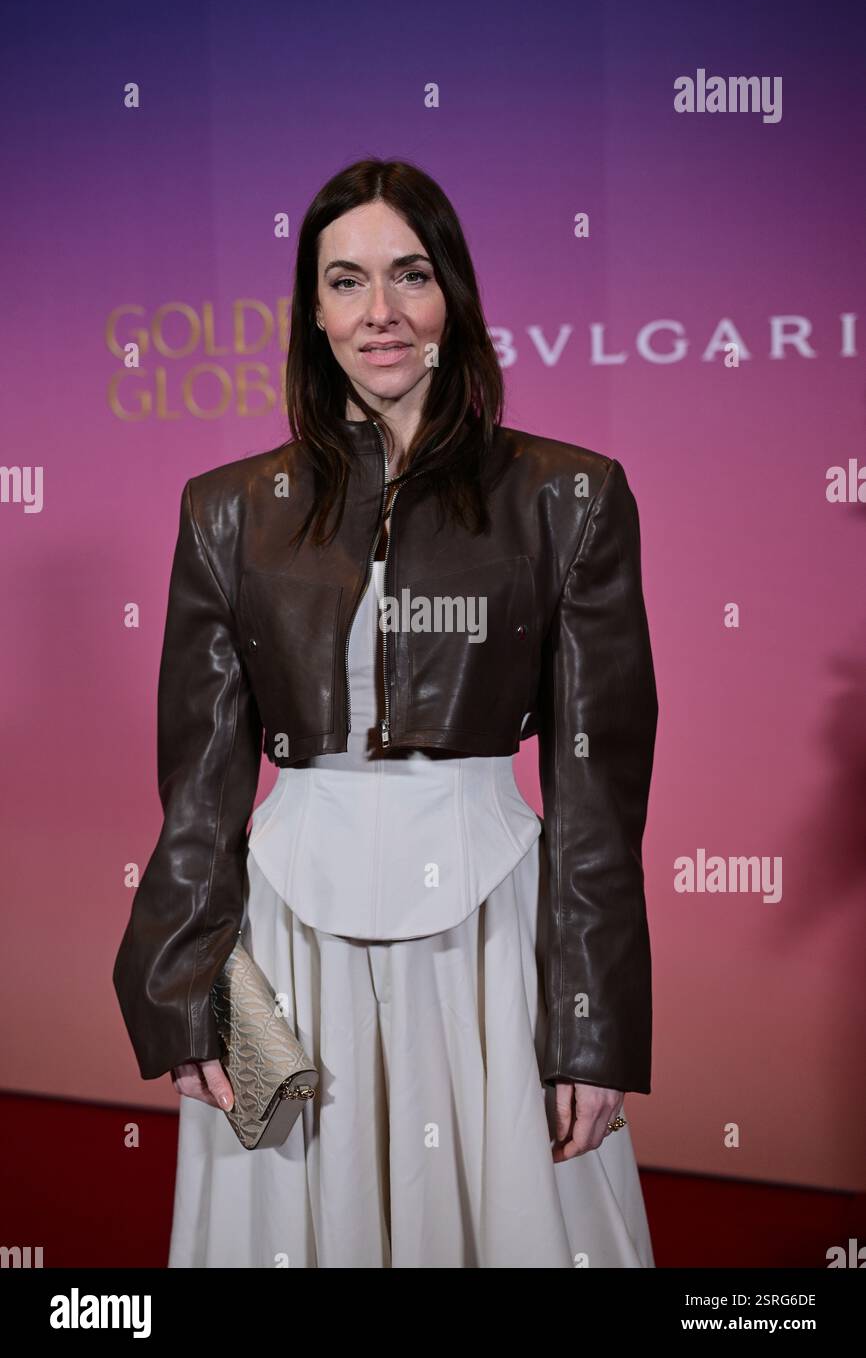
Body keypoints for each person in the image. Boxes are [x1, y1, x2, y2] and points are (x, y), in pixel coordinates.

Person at [113, 157, 659, 1268]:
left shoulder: (568, 496)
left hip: (489, 947)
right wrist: (180, 986)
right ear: (312, 312)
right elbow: (201, 786)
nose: (381, 313)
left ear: (450, 296)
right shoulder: (226, 511)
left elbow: (597, 796)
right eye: (346, 281)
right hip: (283, 942)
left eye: (408, 276)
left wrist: (593, 1025)